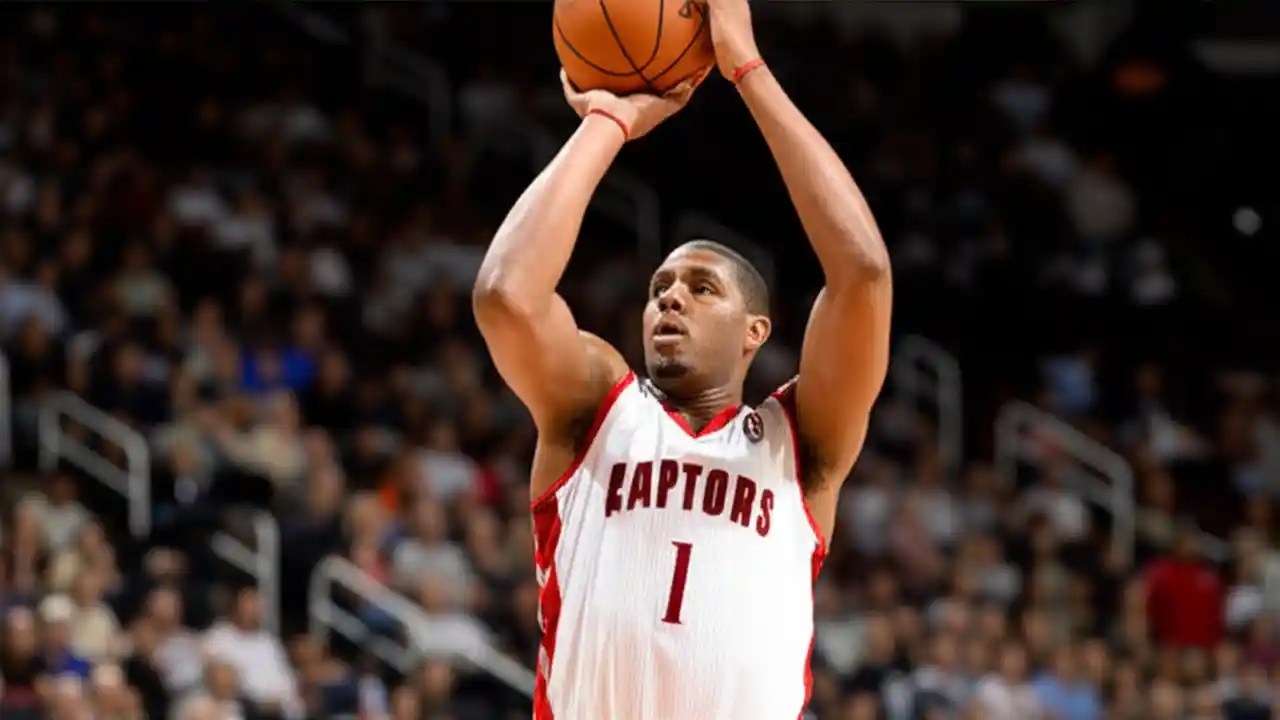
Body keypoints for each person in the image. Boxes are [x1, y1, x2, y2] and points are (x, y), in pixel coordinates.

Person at [472, 0, 891, 716]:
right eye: (659, 287)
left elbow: (864, 274)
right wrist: (608, 122)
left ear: (755, 331)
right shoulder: (597, 408)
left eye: (702, 289)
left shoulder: (801, 444)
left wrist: (750, 71)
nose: (670, 299)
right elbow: (506, 295)